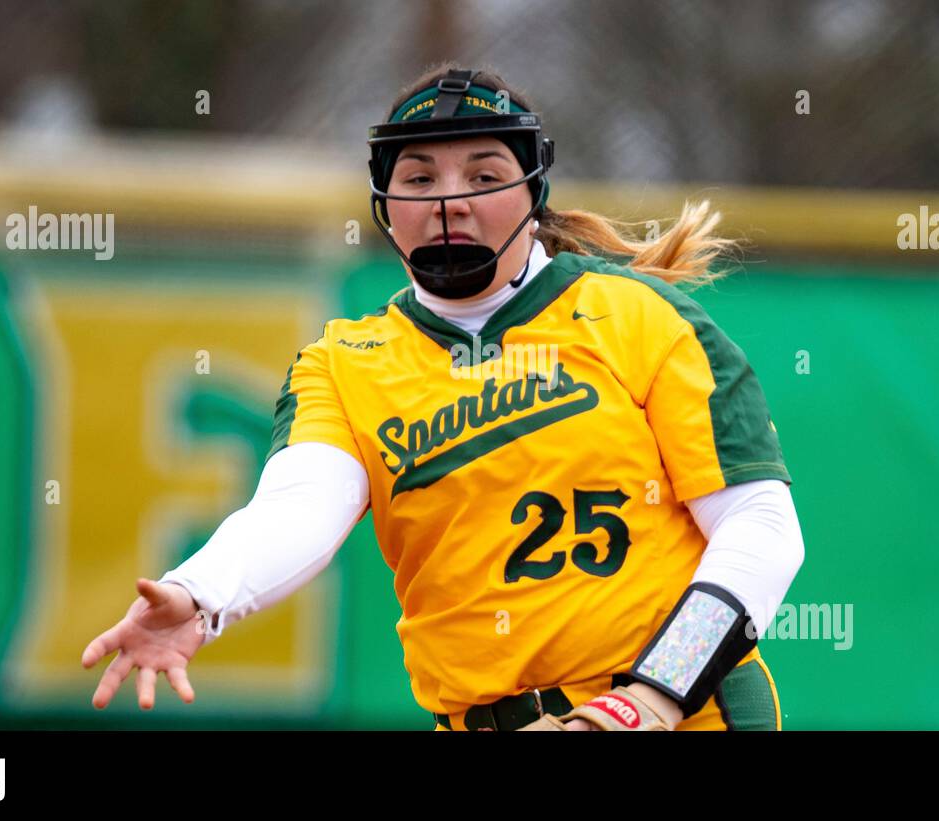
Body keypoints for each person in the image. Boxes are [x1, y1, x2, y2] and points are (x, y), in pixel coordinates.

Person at [82, 64, 805, 731]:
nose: (450, 201)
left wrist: (651, 696)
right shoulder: (344, 363)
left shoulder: (639, 315)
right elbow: (297, 508)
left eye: (483, 174)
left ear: (533, 191)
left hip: (679, 712)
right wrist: (199, 593)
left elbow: (762, 524)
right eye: (419, 179)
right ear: (384, 204)